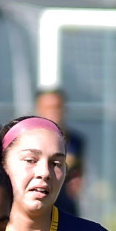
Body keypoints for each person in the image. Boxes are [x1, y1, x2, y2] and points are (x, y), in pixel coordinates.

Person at [33, 89, 86, 219]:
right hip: (39, 204)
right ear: (39, 109)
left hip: (65, 206)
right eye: (49, 108)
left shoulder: (75, 141)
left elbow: (79, 169)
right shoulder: (28, 140)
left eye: (58, 107)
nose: (54, 112)